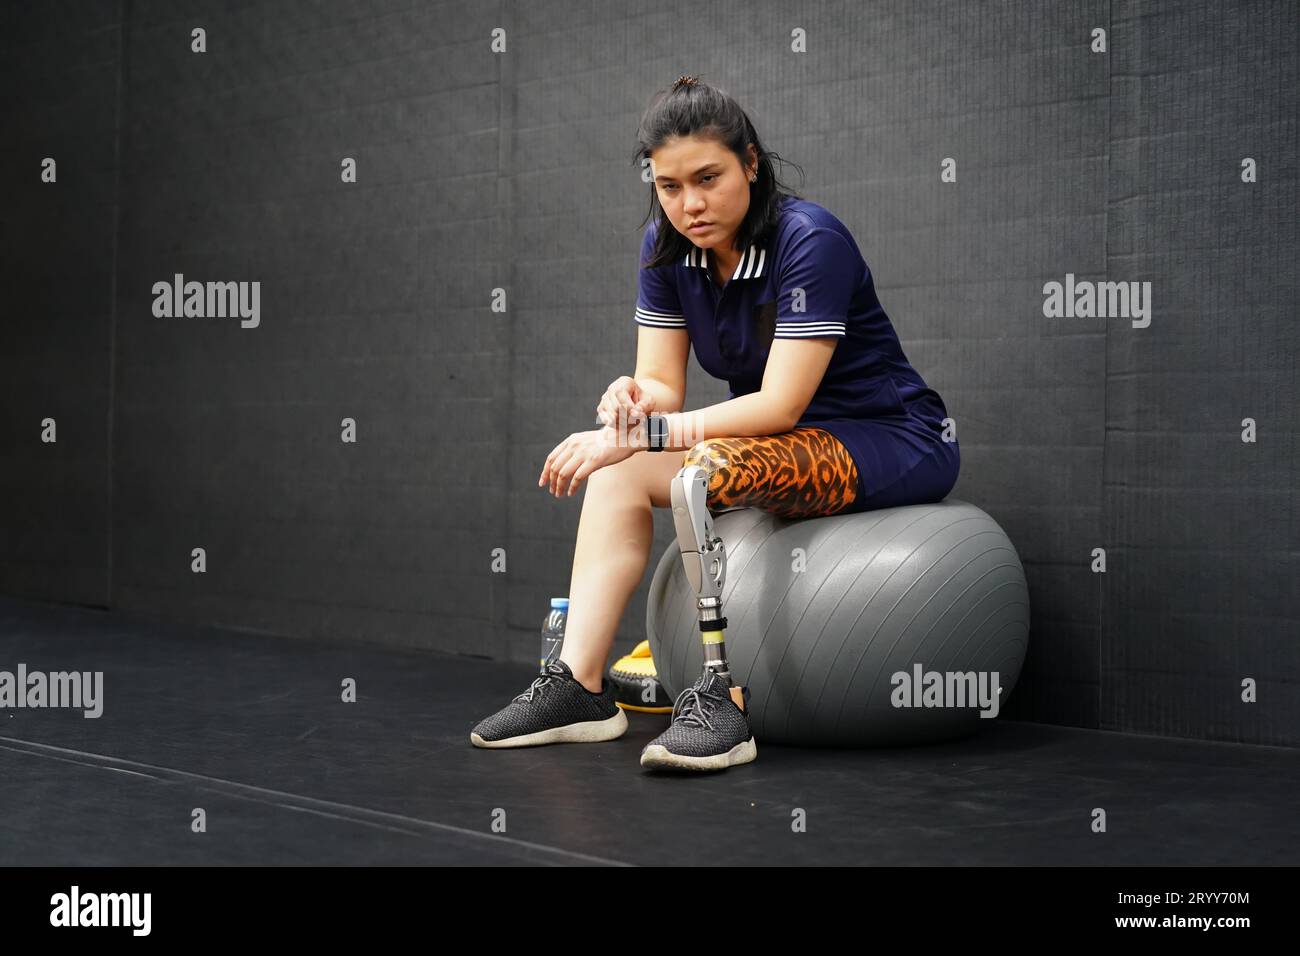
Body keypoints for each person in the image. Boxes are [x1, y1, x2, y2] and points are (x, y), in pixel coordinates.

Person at [470, 75, 959, 771]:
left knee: (704, 469)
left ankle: (718, 697)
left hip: (886, 437)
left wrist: (652, 434)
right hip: (773, 442)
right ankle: (577, 688)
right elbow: (665, 385)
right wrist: (631, 404)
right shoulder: (666, 249)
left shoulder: (810, 240)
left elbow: (782, 406)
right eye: (670, 187)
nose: (690, 204)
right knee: (618, 472)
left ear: (751, 164)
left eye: (708, 178)